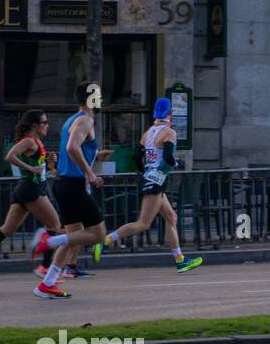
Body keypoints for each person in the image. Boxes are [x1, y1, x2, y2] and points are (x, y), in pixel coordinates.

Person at [100, 98, 203, 273]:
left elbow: (136, 157)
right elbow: (169, 158)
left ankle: (180, 260)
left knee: (171, 217)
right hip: (156, 181)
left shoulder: (147, 133)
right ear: (170, 113)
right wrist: (175, 165)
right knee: (143, 224)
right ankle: (105, 240)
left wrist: (145, 171)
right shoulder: (169, 133)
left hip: (151, 179)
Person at [29, 83, 109, 299]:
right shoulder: (85, 119)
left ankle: (47, 284)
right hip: (74, 185)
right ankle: (47, 240)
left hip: (63, 183)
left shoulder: (72, 120)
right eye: (99, 96)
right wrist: (90, 174)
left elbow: (76, 149)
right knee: (98, 234)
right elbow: (72, 147)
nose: (101, 100)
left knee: (72, 237)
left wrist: (96, 156)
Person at [0, 109, 64, 277]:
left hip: (27, 189)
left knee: (7, 229)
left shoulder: (36, 141)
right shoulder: (29, 141)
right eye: (44, 123)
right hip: (31, 189)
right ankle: (44, 266)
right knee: (54, 226)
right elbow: (10, 156)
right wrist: (31, 168)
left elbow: (39, 168)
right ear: (35, 125)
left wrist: (49, 162)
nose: (47, 126)